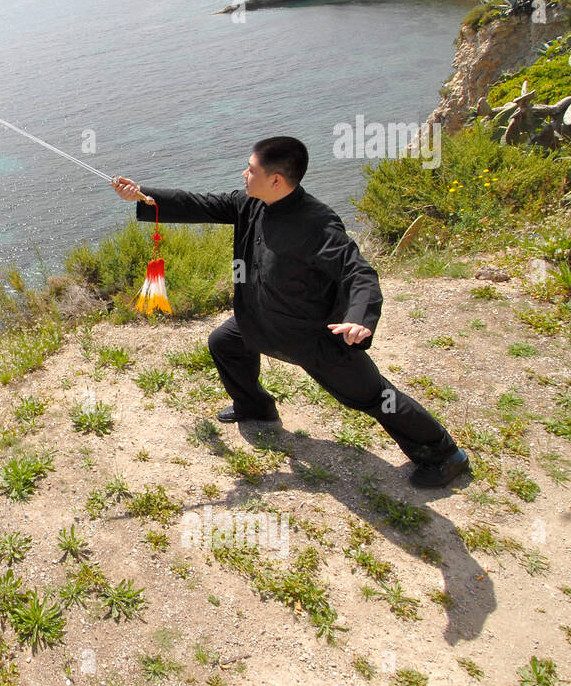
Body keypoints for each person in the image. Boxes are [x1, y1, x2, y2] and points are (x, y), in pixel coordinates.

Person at [111, 136, 471, 489]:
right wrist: (142, 195)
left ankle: (444, 454)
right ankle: (256, 407)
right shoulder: (250, 203)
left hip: (311, 335)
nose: (243, 174)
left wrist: (359, 318)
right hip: (260, 319)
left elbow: (358, 272)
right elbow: (200, 204)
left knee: (374, 397)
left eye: (250, 170)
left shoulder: (318, 224)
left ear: (276, 180)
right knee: (225, 342)